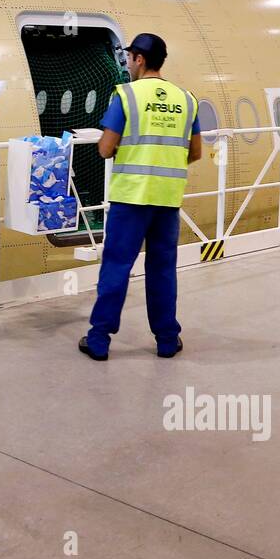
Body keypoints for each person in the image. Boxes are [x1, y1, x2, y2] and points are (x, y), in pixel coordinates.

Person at [80, 33, 201, 361]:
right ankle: (166, 340)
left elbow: (105, 148)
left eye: (130, 57)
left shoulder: (126, 96)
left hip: (131, 198)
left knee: (117, 267)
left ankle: (99, 340)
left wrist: (125, 151)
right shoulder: (186, 99)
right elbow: (196, 151)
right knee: (162, 269)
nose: (128, 63)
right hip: (167, 200)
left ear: (140, 59)